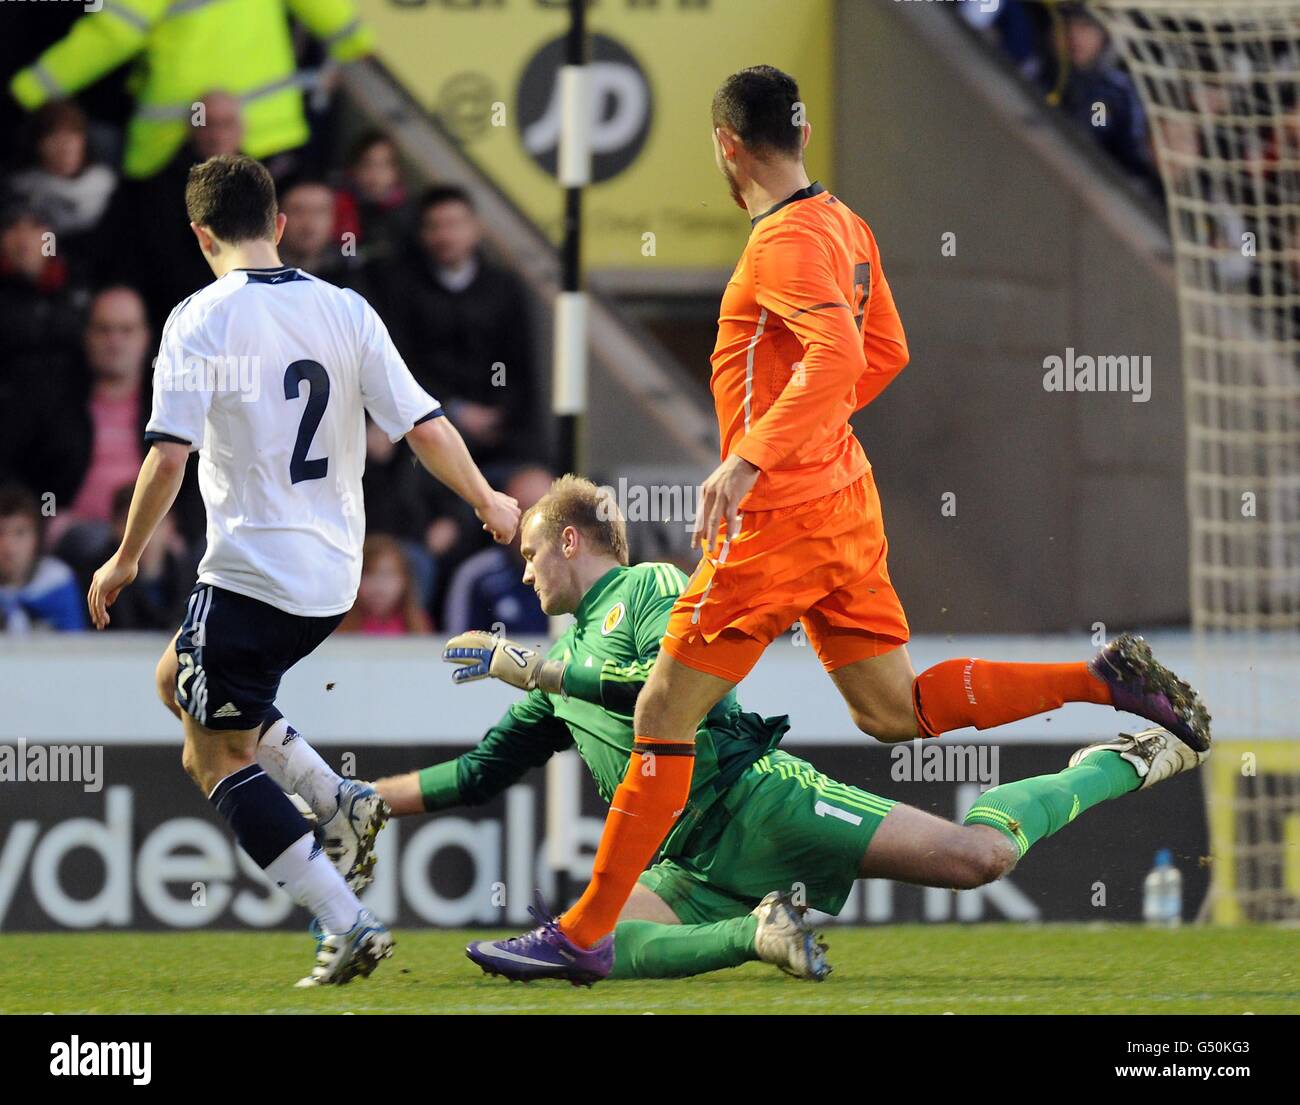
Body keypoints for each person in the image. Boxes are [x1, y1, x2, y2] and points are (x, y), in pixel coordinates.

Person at [476, 65, 1212, 979]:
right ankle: (1100, 677)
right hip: (842, 500)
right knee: (891, 710)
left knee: (663, 710)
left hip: (780, 514)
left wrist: (753, 456)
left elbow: (842, 352)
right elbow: (886, 351)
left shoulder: (783, 240)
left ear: (726, 145)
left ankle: (584, 931)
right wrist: (813, 436)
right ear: (806, 132)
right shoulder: (845, 224)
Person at [238, 476, 1212, 984]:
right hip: (687, 859)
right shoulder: (564, 662)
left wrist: (529, 664)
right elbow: (486, 769)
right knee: (594, 951)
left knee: (974, 858)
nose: (526, 576)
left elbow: (658, 692)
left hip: (758, 801)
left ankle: (1120, 758)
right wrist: (364, 801)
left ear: (571, 541)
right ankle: (757, 931)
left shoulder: (653, 587)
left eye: (533, 554)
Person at [87, 153, 520, 986]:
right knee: (177, 678)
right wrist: (487, 497)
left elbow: (167, 459)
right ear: (280, 224)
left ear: (200, 235)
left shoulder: (196, 318)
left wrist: (126, 554)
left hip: (254, 569)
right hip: (334, 574)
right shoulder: (346, 309)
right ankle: (339, 799)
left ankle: (345, 919)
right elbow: (423, 424)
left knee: (211, 757)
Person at [8, 0, 373, 180]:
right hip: (272, 131)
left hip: (177, 145)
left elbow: (112, 35)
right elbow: (324, 8)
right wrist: (354, 42)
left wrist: (29, 90)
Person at [370, 186, 540, 469]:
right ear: (422, 234)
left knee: (536, 492)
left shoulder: (504, 289)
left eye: (454, 225)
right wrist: (452, 408)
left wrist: (497, 413)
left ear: (476, 229)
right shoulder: (401, 288)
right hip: (425, 429)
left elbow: (519, 365)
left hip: (501, 435)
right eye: (434, 226)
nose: (445, 236)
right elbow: (400, 362)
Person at [441, 465, 552, 636]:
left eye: (545, 510)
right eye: (524, 509)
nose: (534, 520)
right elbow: (458, 647)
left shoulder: (581, 574)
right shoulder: (477, 576)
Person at [8, 101, 116, 244]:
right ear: (38, 146)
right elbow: (45, 249)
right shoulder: (22, 191)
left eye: (72, 136)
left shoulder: (108, 186)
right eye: (54, 139)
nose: (65, 148)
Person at [0, 483, 85, 634]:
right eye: (1, 533)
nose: (8, 546)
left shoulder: (57, 582)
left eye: (20, 533)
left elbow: (74, 645)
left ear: (37, 539)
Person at [338, 534, 431, 635]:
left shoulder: (418, 624)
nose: (379, 586)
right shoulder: (338, 623)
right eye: (369, 574)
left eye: (389, 574)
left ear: (405, 580)